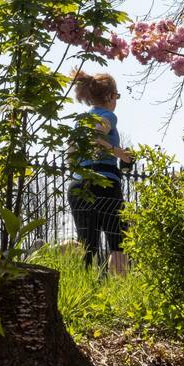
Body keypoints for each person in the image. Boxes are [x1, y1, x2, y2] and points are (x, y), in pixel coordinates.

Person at [68, 70, 132, 275]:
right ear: (110, 96)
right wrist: (118, 153)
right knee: (119, 241)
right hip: (104, 184)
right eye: (117, 96)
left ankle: (81, 288)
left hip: (78, 184)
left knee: (87, 244)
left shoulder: (79, 120)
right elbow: (94, 136)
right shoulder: (108, 115)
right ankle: (121, 291)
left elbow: (71, 153)